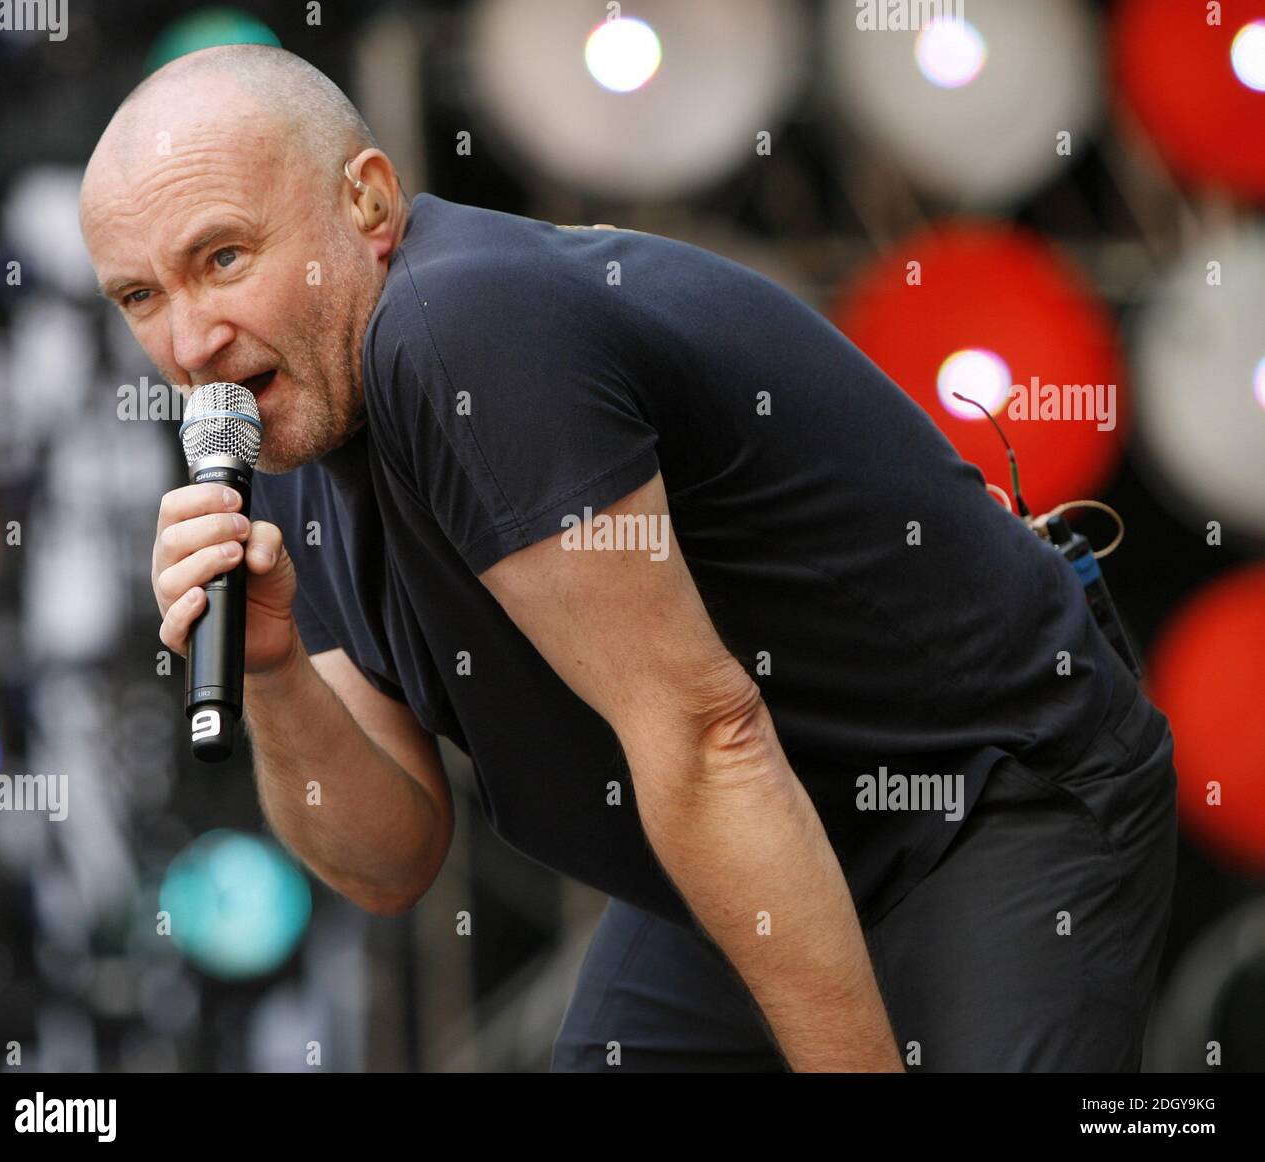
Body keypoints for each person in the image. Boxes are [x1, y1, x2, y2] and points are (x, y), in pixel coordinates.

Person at [79, 44, 1178, 1072]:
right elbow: (389, 859)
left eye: (222, 258)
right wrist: (271, 672)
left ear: (366, 200)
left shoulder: (459, 321)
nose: (188, 342)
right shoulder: (288, 438)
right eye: (141, 296)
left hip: (987, 792)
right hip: (752, 844)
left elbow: (708, 735)